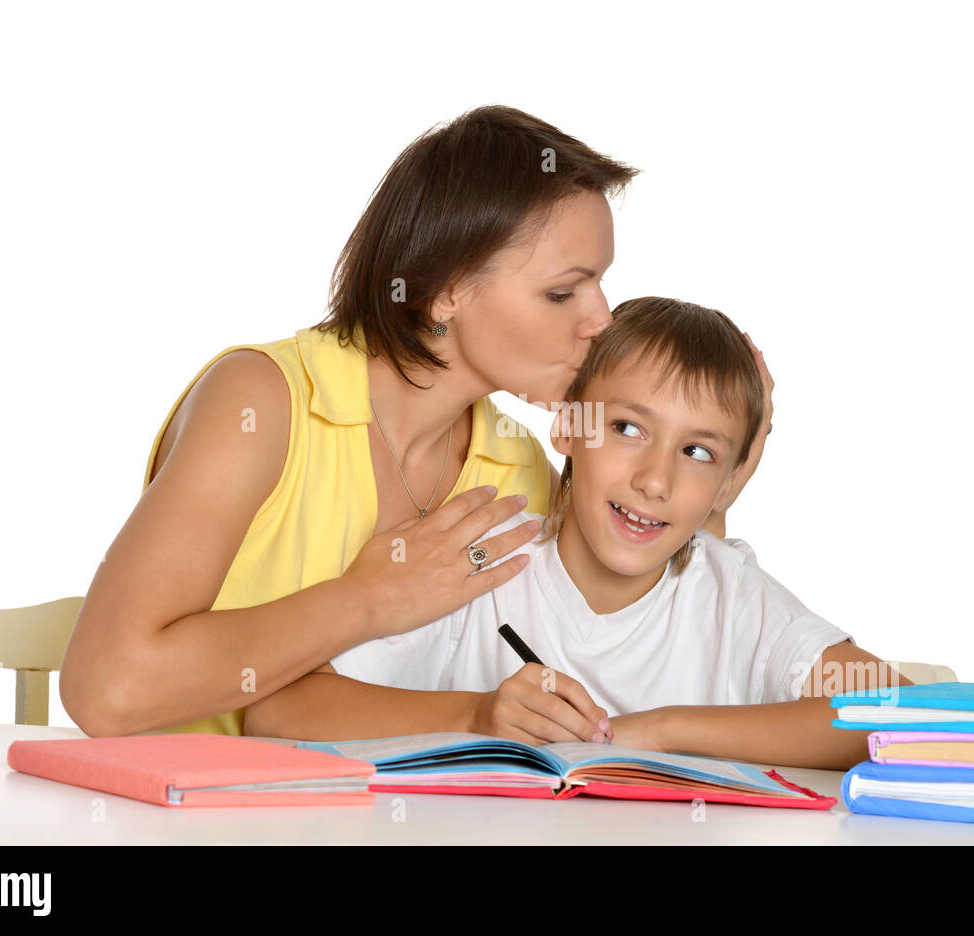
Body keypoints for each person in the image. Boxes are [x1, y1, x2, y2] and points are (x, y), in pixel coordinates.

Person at [59, 106, 774, 738]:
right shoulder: (261, 404)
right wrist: (366, 600)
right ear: (443, 292)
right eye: (563, 291)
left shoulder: (513, 466)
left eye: (599, 281)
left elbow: (655, 608)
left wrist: (718, 472)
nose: (600, 320)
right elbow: (107, 691)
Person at [245, 297, 913, 771]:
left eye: (699, 453)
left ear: (732, 483)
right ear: (567, 427)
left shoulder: (731, 594)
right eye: (627, 428)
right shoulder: (488, 558)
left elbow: (903, 714)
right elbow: (277, 714)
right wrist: (478, 717)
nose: (655, 480)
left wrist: (662, 729)